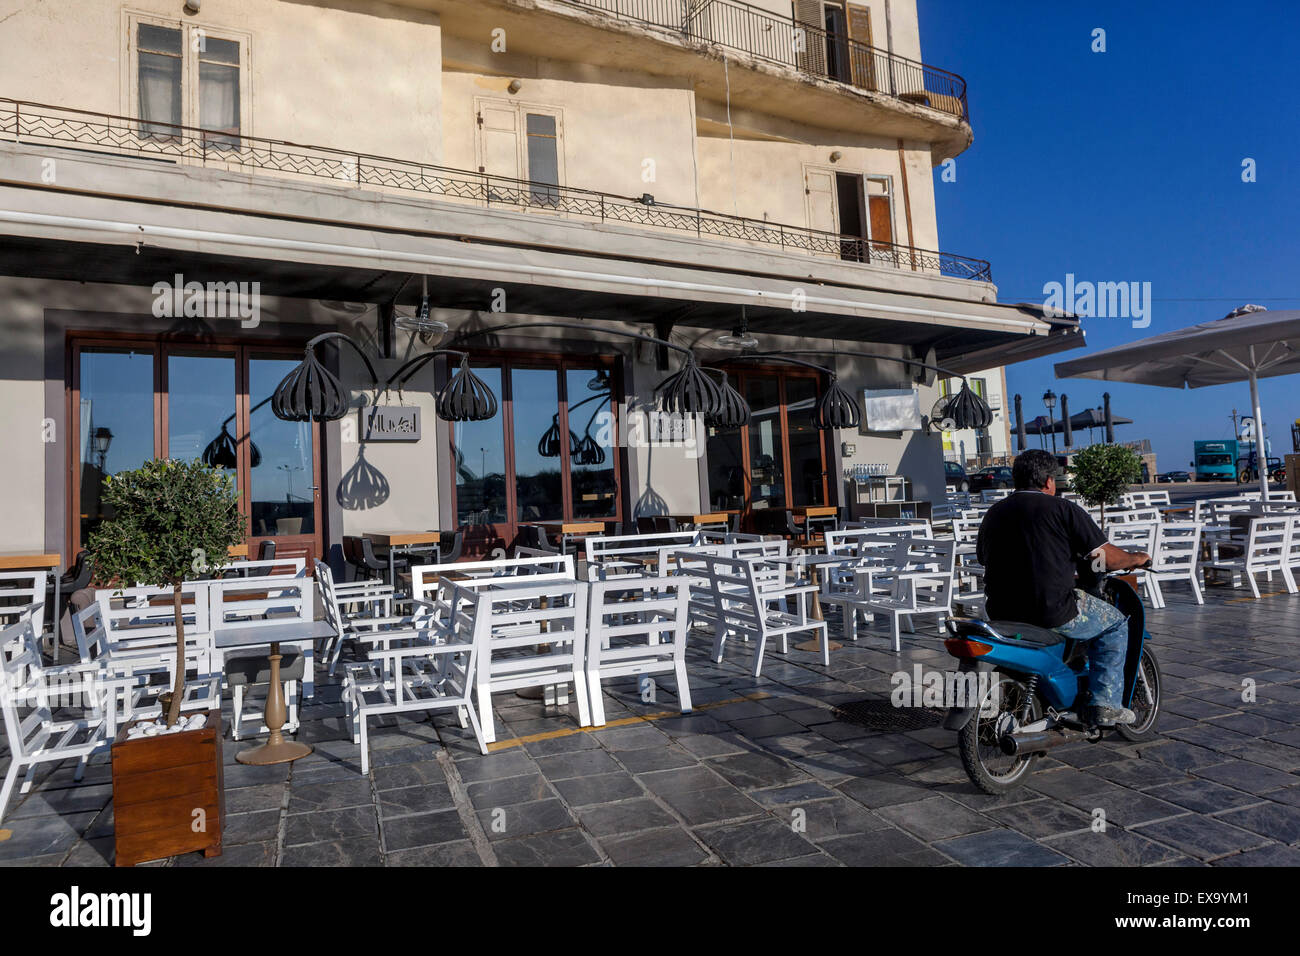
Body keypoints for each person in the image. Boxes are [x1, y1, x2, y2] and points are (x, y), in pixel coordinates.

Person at [975, 449, 1149, 726]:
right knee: (1115, 624)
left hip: (1001, 610)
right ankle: (1106, 704)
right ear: (1047, 481)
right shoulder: (1062, 509)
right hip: (1052, 608)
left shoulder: (995, 513)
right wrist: (1135, 558)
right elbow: (1105, 556)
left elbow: (984, 558)